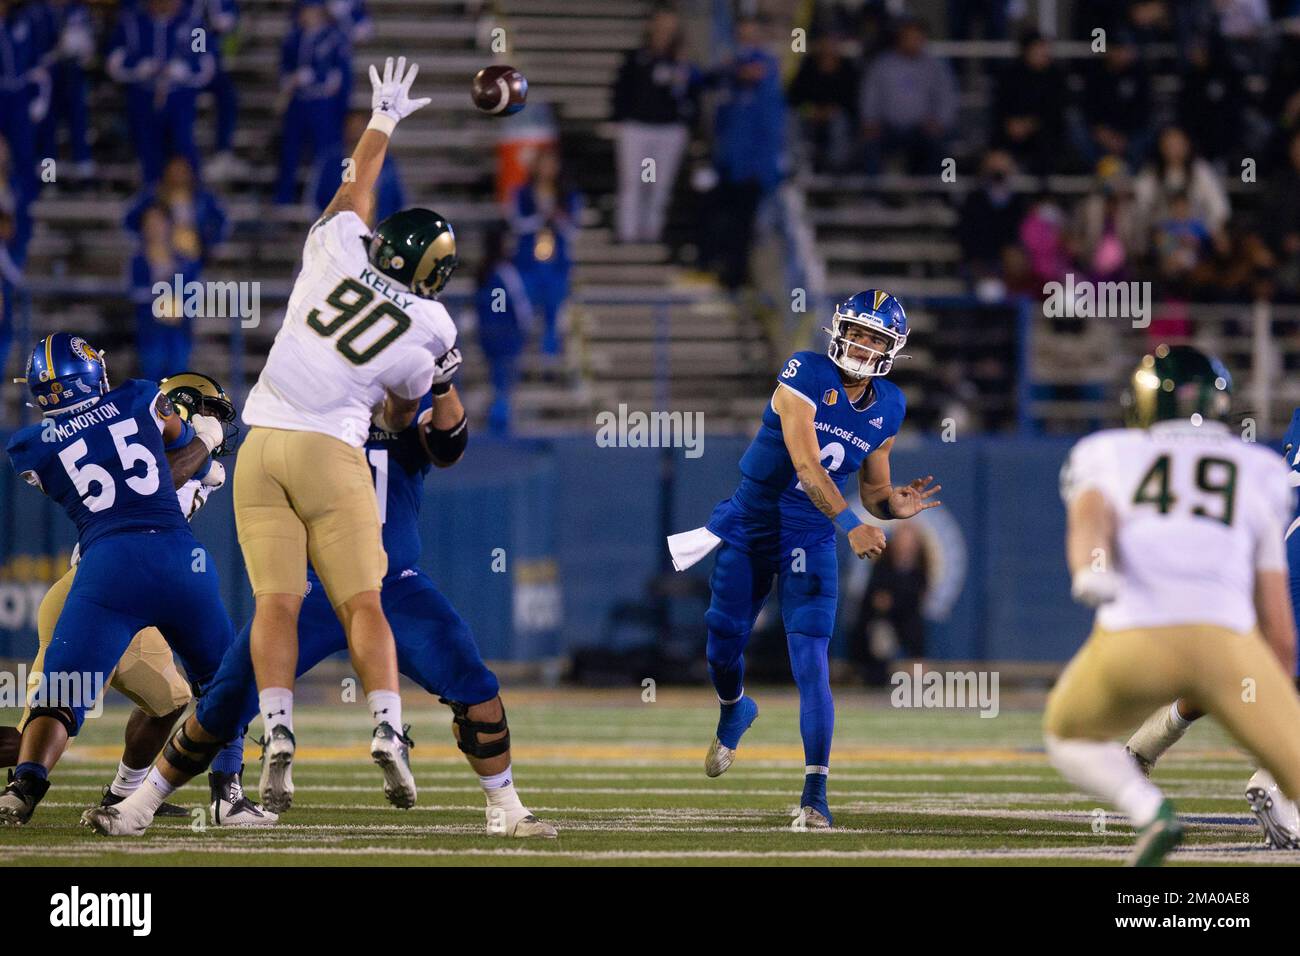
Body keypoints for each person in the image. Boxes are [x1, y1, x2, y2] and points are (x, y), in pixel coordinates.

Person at [85, 386, 557, 838]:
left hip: (391, 583)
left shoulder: (389, 411)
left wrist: (441, 379)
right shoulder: (306, 417)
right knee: (223, 703)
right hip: (312, 586)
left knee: (474, 685)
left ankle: (506, 805)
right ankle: (140, 804)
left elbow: (449, 440)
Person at [233, 57, 457, 815]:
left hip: (260, 441)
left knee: (276, 605)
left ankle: (279, 731)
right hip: (332, 450)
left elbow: (351, 192)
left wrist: (383, 120)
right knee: (365, 601)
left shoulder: (333, 249)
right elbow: (402, 417)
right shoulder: (430, 326)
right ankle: (389, 732)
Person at [667, 290, 941, 827]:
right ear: (839, 330)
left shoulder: (890, 405)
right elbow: (807, 466)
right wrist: (853, 525)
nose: (862, 344)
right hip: (753, 525)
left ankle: (815, 794)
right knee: (722, 645)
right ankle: (734, 709)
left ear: (891, 349)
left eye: (874, 337)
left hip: (811, 539)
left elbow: (873, 488)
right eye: (856, 332)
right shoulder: (804, 371)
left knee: (812, 665)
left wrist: (890, 505)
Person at [1047, 344, 1300, 865]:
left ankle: (1149, 806)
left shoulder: (1107, 450)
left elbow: (1090, 514)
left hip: (1136, 633)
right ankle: (1275, 784)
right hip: (1224, 634)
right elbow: (1280, 629)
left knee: (1069, 733)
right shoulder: (1255, 470)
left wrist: (1092, 568)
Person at [0, 371, 272, 826]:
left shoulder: (74, 433)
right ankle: (23, 784)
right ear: (178, 409)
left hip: (116, 583)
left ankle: (122, 793)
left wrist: (201, 451)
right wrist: (201, 444)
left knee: (168, 700)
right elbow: (166, 471)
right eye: (209, 412)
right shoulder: (150, 427)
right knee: (53, 715)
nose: (217, 424)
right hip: (98, 585)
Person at [700, 16, 784, 291]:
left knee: (744, 226)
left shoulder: (764, 69)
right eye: (742, 35)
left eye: (751, 34)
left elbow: (756, 73)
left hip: (753, 167)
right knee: (720, 220)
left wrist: (767, 168)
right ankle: (718, 270)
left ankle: (737, 278)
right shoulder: (729, 77)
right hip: (728, 164)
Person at [611, 5, 698, 242]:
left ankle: (651, 230)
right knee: (633, 181)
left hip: (667, 129)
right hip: (637, 127)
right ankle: (628, 231)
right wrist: (619, 118)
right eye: (660, 26)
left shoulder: (681, 63)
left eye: (669, 28)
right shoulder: (636, 58)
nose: (664, 32)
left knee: (658, 183)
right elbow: (621, 90)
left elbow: (691, 94)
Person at [106, 0, 213, 183]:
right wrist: (141, 67)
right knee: (148, 152)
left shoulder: (193, 25)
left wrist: (182, 69)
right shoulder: (132, 23)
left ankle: (192, 198)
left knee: (184, 149)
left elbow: (205, 65)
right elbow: (114, 61)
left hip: (180, 97)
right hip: (144, 96)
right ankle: (151, 197)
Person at [858, 17, 956, 175]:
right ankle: (872, 196)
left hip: (923, 129)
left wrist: (939, 122)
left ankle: (932, 195)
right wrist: (870, 121)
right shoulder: (882, 64)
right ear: (900, 38)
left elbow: (947, 98)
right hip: (887, 128)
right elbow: (869, 96)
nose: (913, 41)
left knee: (939, 143)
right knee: (869, 142)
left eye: (917, 38)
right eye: (909, 37)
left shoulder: (936, 66)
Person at [274, 0, 348, 205]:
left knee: (325, 153)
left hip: (321, 102)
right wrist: (289, 80)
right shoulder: (294, 37)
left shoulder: (333, 38)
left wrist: (313, 77)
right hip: (298, 100)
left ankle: (326, 198)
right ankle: (284, 196)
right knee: (290, 150)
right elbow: (284, 65)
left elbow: (337, 77)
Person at [509, 145, 580, 357]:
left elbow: (573, 230)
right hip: (528, 262)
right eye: (544, 164)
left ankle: (550, 357)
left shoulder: (567, 194)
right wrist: (540, 217)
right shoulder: (521, 192)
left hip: (556, 264)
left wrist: (557, 218)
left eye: (552, 164)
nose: (548, 169)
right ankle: (523, 356)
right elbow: (517, 223)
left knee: (553, 312)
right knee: (525, 312)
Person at [128, 203, 200, 382]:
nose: (155, 228)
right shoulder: (138, 260)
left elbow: (193, 290)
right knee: (153, 376)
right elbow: (134, 292)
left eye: (159, 222)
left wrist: (179, 306)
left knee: (177, 375)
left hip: (178, 328)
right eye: (150, 223)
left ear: (169, 225)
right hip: (150, 329)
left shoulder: (183, 260)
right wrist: (158, 303)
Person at [475, 225, 533, 435]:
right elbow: (519, 306)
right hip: (505, 336)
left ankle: (498, 418)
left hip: (488, 335)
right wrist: (524, 328)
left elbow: (489, 306)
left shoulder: (484, 271)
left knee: (497, 379)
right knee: (503, 382)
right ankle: (499, 421)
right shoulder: (504, 273)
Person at [125, 155, 230, 264]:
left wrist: (211, 241)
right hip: (162, 252)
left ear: (189, 173)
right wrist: (145, 238)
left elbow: (222, 220)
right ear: (167, 172)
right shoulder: (155, 194)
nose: (177, 175)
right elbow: (130, 220)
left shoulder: (203, 197)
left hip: (194, 249)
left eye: (181, 171)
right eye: (174, 170)